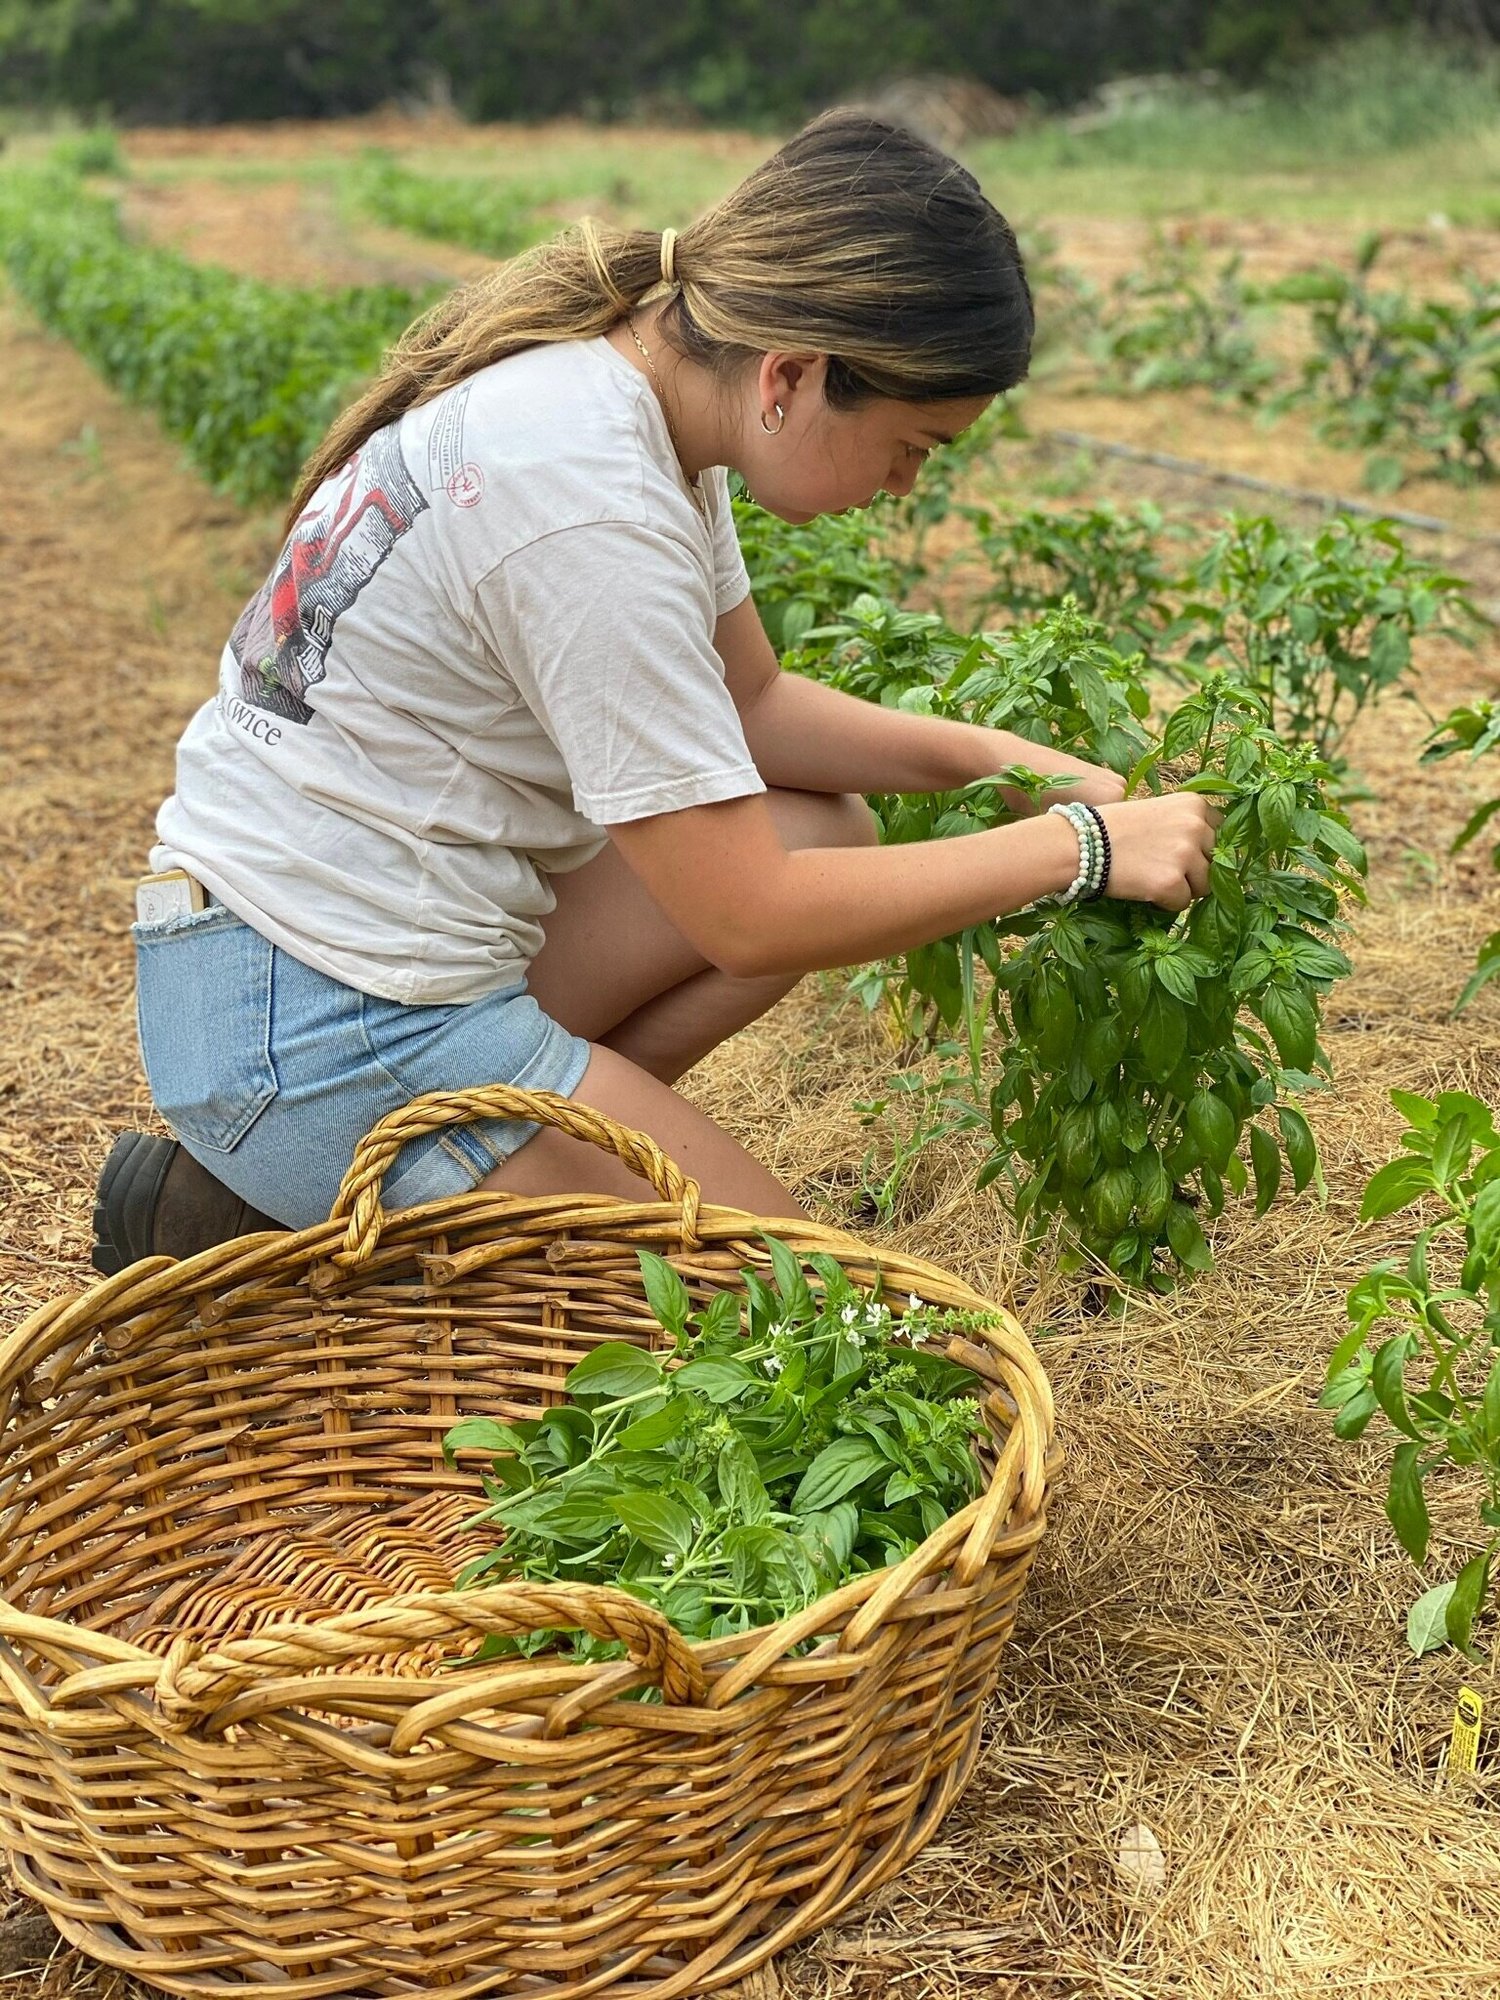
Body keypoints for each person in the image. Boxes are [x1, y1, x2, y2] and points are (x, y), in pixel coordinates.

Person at [91, 109, 1217, 1274]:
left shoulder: (635, 399)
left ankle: (425, 1202)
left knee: (820, 825)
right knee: (825, 1323)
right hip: (319, 1016)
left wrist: (1001, 763)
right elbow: (749, 913)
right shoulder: (591, 502)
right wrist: (1081, 849)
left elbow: (752, 707)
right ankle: (421, 1222)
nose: (904, 485)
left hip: (310, 946)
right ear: (794, 374)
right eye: (914, 443)